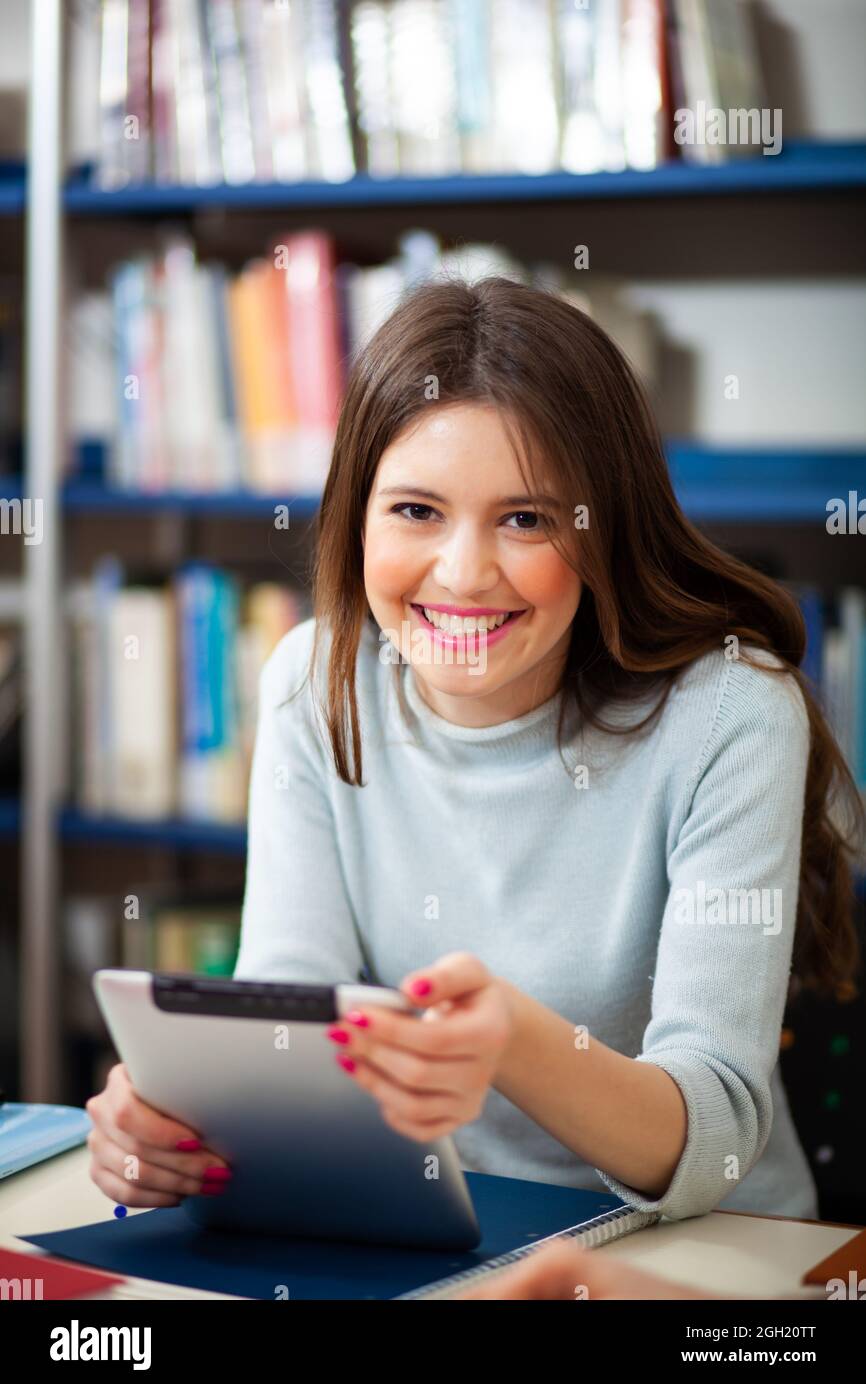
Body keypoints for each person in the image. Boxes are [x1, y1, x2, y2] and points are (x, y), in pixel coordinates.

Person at [86, 276, 861, 1235]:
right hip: (436, 1234)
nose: (461, 573)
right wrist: (174, 1124)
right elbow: (286, 1011)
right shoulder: (310, 682)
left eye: (526, 519)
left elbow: (719, 1137)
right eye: (415, 510)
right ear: (355, 516)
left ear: (603, 528)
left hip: (709, 1256)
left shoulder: (732, 713)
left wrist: (514, 1040)